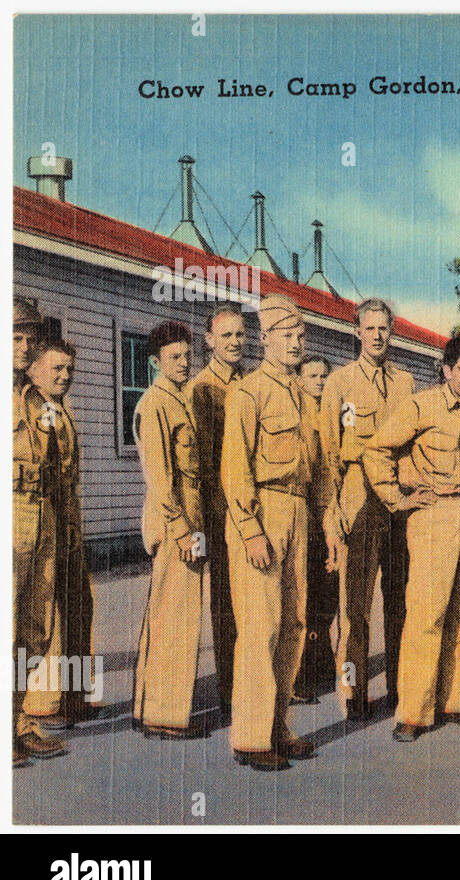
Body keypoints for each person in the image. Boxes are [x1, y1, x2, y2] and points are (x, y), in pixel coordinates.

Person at [222, 294, 337, 770]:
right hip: (262, 512)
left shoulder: (303, 395)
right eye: (286, 336)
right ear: (264, 339)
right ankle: (251, 737)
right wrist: (250, 530)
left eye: (301, 336)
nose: (295, 343)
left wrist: (329, 526)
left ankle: (278, 725)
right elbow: (234, 470)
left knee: (294, 624)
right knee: (260, 627)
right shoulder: (247, 392)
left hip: (299, 512)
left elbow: (321, 468)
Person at [363, 333, 460, 740]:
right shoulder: (423, 405)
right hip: (432, 513)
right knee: (427, 614)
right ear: (446, 370)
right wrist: (396, 497)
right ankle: (415, 712)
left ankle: (457, 699)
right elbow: (376, 449)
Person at [319, 299, 414, 718]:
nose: (377, 335)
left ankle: (400, 686)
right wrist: (333, 511)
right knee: (354, 605)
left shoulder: (406, 383)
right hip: (358, 491)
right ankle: (353, 693)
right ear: (356, 331)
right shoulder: (339, 383)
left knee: (400, 598)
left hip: (399, 493)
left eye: (384, 328)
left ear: (392, 332)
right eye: (369, 328)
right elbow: (327, 455)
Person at [132, 321, 205, 739]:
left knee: (173, 615)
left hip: (189, 516)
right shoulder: (156, 403)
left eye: (186, 355)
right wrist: (181, 532)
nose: (182, 363)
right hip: (175, 521)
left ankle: (155, 708)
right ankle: (163, 714)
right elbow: (159, 477)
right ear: (155, 362)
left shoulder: (182, 399)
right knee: (172, 617)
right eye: (173, 357)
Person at [23, 339, 97, 732]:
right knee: (45, 614)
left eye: (69, 369)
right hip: (39, 523)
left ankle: (74, 696)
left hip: (66, 523)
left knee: (78, 607)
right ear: (34, 370)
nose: (65, 376)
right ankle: (42, 702)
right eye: (57, 369)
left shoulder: (60, 410)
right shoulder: (29, 409)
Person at [12, 298, 67, 765]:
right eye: (15, 336)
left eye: (30, 337)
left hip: (41, 511)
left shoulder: (39, 400)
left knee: (36, 623)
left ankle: (18, 720)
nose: (25, 346)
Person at [186, 305, 245, 716]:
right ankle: (230, 689)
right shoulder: (201, 389)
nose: (235, 343)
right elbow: (205, 463)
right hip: (222, 509)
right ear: (209, 340)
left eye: (240, 335)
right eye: (226, 336)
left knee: (258, 600)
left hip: (256, 506)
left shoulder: (254, 383)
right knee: (227, 603)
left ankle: (259, 681)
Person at [294, 355, 338, 704]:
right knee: (303, 597)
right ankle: (301, 671)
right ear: (299, 378)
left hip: (328, 512)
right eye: (312, 375)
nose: (320, 381)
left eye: (325, 375)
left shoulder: (331, 414)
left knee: (327, 592)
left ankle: (322, 662)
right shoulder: (298, 414)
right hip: (303, 514)